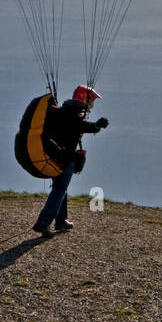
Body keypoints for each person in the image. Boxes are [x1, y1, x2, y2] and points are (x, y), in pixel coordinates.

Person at [32, 85, 109, 235]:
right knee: (59, 190)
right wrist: (97, 125)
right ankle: (43, 222)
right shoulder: (75, 113)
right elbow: (80, 126)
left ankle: (61, 221)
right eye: (92, 100)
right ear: (84, 99)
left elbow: (76, 126)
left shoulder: (64, 110)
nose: (93, 104)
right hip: (64, 159)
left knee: (61, 188)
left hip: (54, 155)